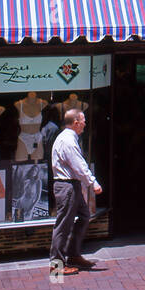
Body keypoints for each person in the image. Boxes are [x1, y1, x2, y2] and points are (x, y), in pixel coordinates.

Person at [48, 109, 102, 276]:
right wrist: (92, 183)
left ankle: (72, 255)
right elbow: (79, 166)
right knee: (63, 225)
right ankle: (56, 266)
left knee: (85, 216)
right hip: (67, 187)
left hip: (72, 186)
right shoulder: (68, 141)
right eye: (83, 120)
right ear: (76, 122)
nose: (85, 123)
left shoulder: (70, 138)